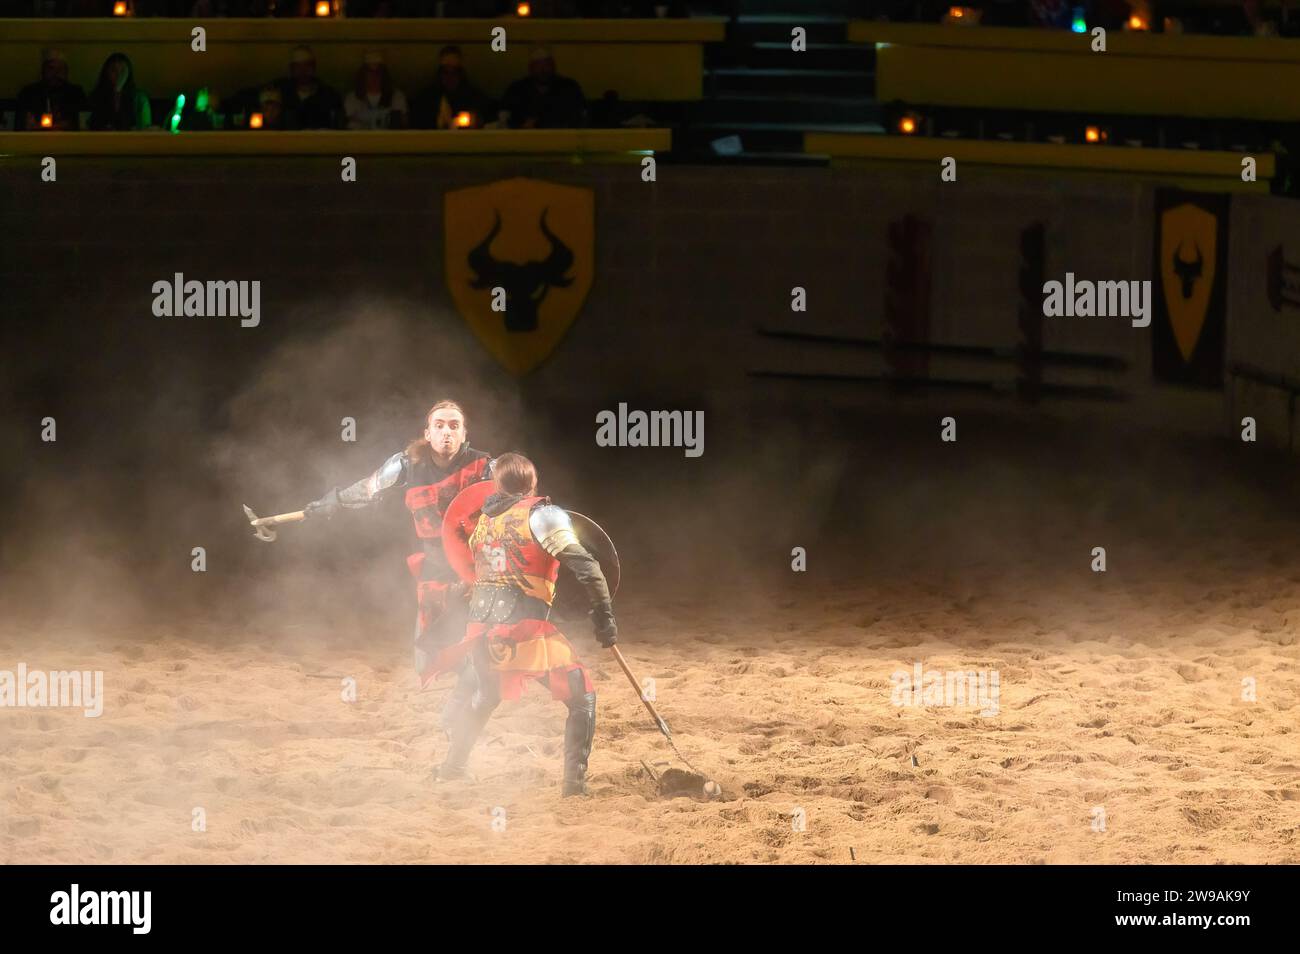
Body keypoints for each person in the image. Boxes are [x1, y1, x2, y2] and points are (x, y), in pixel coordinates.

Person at [431, 453, 617, 797]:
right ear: (533, 485)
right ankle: (573, 787)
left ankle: (452, 768)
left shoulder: (482, 521)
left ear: (496, 485)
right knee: (582, 697)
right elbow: (588, 568)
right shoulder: (541, 515)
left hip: (481, 631)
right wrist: (603, 614)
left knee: (486, 694)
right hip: (521, 632)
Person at [304, 400, 493, 732]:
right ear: (427, 432)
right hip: (435, 568)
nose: (446, 432)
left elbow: (515, 500)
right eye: (439, 425)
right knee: (428, 650)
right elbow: (369, 487)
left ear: (464, 433)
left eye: (453, 425)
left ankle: (456, 713)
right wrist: (330, 502)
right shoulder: (408, 465)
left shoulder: (485, 467)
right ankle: (460, 695)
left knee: (482, 646)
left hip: (475, 568)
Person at [500, 46, 587, 130]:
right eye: (538, 66)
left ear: (554, 66)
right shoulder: (517, 89)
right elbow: (505, 117)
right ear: (530, 68)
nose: (543, 70)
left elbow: (580, 116)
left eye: (547, 65)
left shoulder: (569, 88)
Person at [410, 45, 493, 130]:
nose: (450, 77)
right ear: (440, 73)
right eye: (445, 72)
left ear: (461, 73)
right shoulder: (426, 99)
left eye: (454, 72)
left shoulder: (474, 98)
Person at [17, 49, 87, 132]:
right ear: (43, 70)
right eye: (51, 68)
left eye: (61, 69)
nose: (56, 73)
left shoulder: (75, 93)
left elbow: (81, 123)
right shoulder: (29, 92)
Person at [276, 45, 342, 130]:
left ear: (314, 67)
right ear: (291, 69)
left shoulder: (329, 95)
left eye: (307, 65)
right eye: (298, 66)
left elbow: (338, 126)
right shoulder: (281, 90)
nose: (302, 70)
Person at [343, 51, 409, 130]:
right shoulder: (352, 98)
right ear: (363, 74)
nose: (374, 77)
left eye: (378, 72)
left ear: (384, 75)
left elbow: (402, 122)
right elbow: (349, 125)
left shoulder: (397, 96)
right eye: (370, 72)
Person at [88, 53, 151, 131]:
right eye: (113, 70)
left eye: (122, 71)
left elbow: (144, 128)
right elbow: (93, 125)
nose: (118, 74)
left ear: (128, 73)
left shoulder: (139, 98)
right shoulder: (97, 96)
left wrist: (118, 91)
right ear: (106, 72)